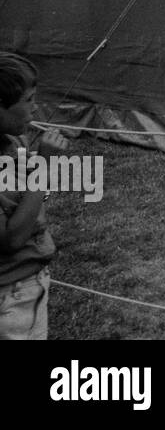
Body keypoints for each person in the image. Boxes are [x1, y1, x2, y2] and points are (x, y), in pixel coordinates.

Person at [0, 53, 58, 340]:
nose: (35, 108)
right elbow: (11, 239)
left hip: (29, 286)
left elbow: (31, 206)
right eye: (29, 100)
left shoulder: (15, 144)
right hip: (11, 296)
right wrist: (44, 168)